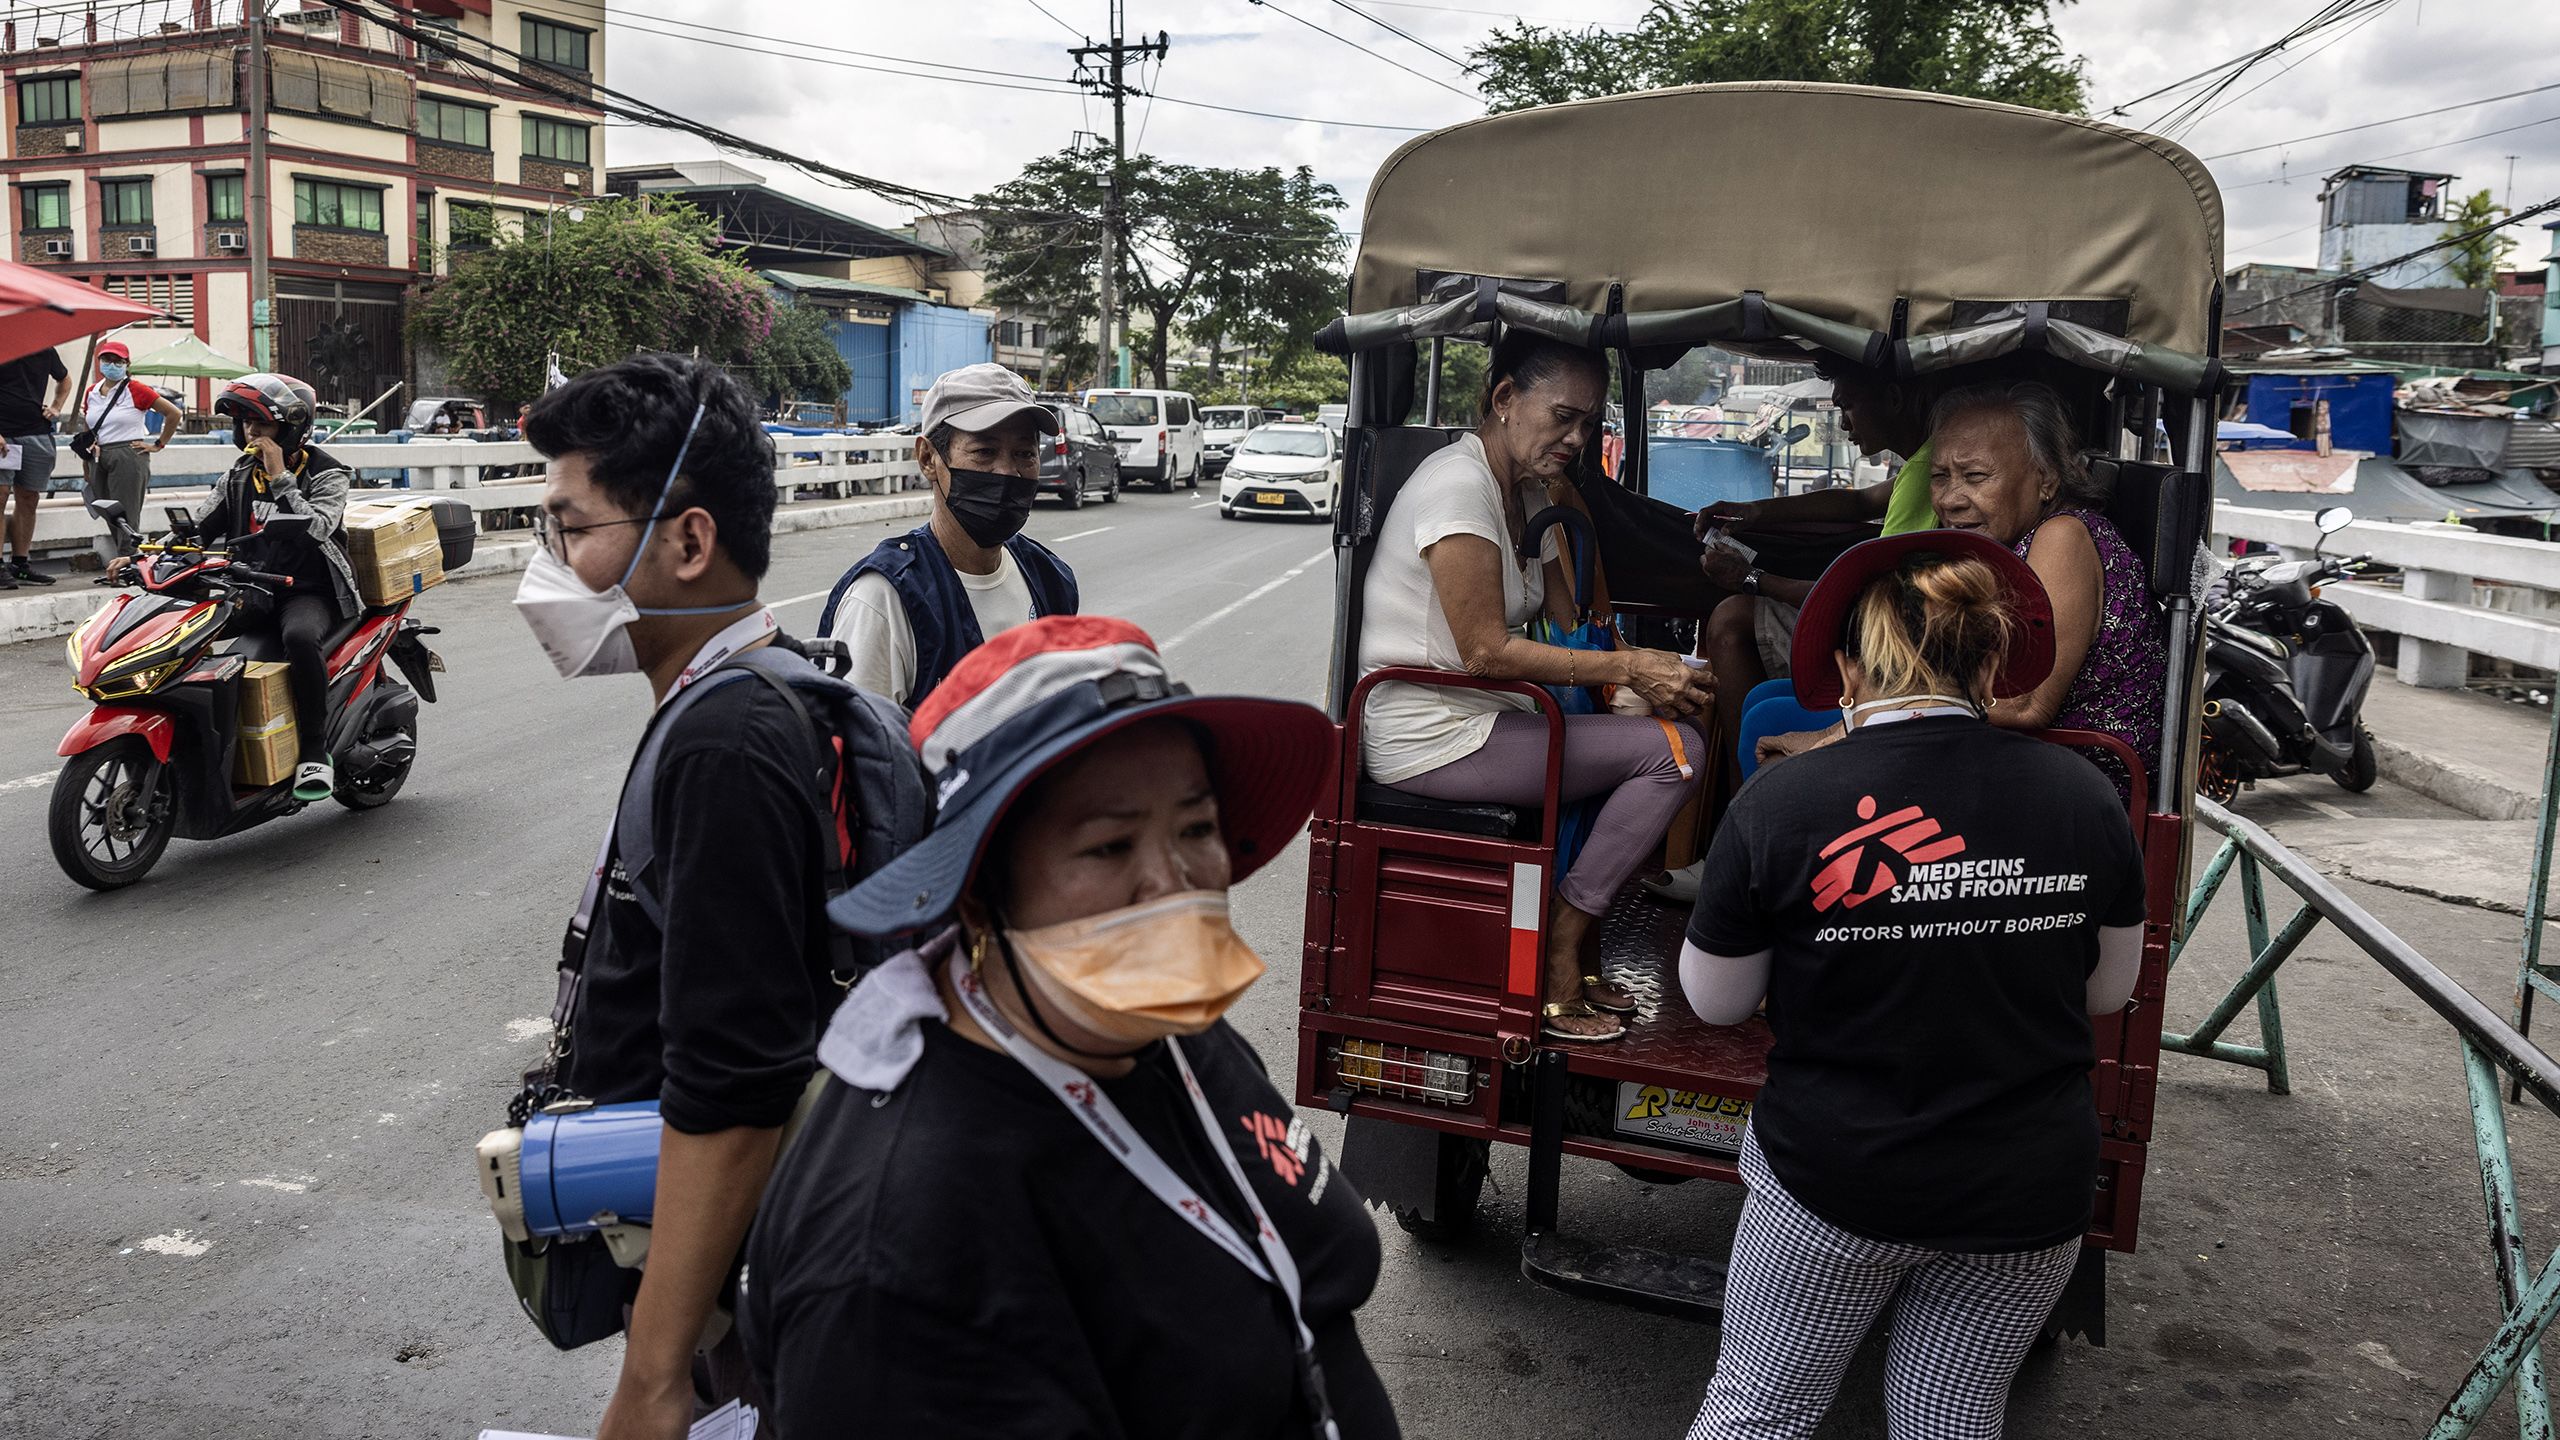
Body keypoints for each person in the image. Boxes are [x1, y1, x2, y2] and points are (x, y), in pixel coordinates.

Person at [741, 615, 1399, 1439]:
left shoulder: (1156, 1030)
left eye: (1196, 829)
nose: (1171, 882)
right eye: (1109, 847)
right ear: (981, 895)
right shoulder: (898, 1259)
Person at [1678, 531, 2146, 1440]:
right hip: (2028, 1191)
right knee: (1951, 1418)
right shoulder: (2087, 796)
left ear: (1847, 675)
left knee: (1760, 1412)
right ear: (1991, 668)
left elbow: (1717, 1002)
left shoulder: (1781, 802)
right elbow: (2107, 992)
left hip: (1835, 1181)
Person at [516, 354, 827, 1440]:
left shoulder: (725, 741)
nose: (548, 562)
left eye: (571, 525)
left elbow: (737, 1083)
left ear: (689, 542)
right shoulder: (766, 685)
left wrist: (652, 1375)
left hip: (748, 1270)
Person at [1358, 330, 1709, 1042]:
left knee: (1671, 726)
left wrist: (1648, 670)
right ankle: (1560, 942)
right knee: (1678, 755)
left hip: (1492, 718)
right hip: (1434, 735)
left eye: (1589, 423)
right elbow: (1485, 651)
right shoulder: (1458, 488)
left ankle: (1576, 940)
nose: (1577, 436)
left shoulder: (1524, 490)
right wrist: (1628, 670)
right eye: (1563, 417)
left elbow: (1570, 617)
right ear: (1506, 399)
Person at [1755, 382, 2168, 799]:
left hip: (2070, 774)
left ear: (2045, 479)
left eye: (1975, 477)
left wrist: (1835, 736)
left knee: (1774, 731)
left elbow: (2023, 704)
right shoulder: (1999, 546)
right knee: (1771, 707)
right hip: (1998, 745)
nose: (1951, 499)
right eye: (1939, 477)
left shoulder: (2063, 536)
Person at [1690, 355, 1940, 755]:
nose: (1843, 424)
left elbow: (1873, 599)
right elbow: (1859, 503)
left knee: (1730, 619)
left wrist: (1752, 579)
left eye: (1848, 406)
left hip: (1887, 645)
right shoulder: (1920, 467)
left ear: (1893, 398)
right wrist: (1756, 511)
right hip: (1884, 633)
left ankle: (1740, 789)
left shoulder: (1930, 470)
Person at [818, 363, 1077, 709]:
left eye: (1024, 454)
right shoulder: (885, 601)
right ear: (928, 459)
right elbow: (862, 751)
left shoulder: (1050, 579)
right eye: (985, 452)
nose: (1007, 472)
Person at [194, 375, 359, 803]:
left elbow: (319, 527)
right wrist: (153, 551)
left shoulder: (328, 472)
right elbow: (202, 526)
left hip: (308, 589)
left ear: (289, 428)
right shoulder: (239, 473)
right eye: (244, 423)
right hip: (250, 585)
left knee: (299, 639)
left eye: (260, 424)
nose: (250, 433)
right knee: (188, 628)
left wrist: (282, 477)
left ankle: (313, 750)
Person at [79, 340, 184, 573]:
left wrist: (158, 444)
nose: (112, 365)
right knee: (107, 509)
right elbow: (88, 425)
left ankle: (126, 563)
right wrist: (86, 462)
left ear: (127, 364)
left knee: (126, 512)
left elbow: (173, 413)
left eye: (117, 361)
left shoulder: (135, 389)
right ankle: (124, 560)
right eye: (107, 360)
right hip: (99, 453)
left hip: (128, 451)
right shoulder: (92, 392)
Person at [0, 340, 72, 588]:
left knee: (29, 498)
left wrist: (56, 407)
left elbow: (64, 380)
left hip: (35, 432)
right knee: (0, 496)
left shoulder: (45, 349)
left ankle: (20, 564)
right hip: (3, 434)